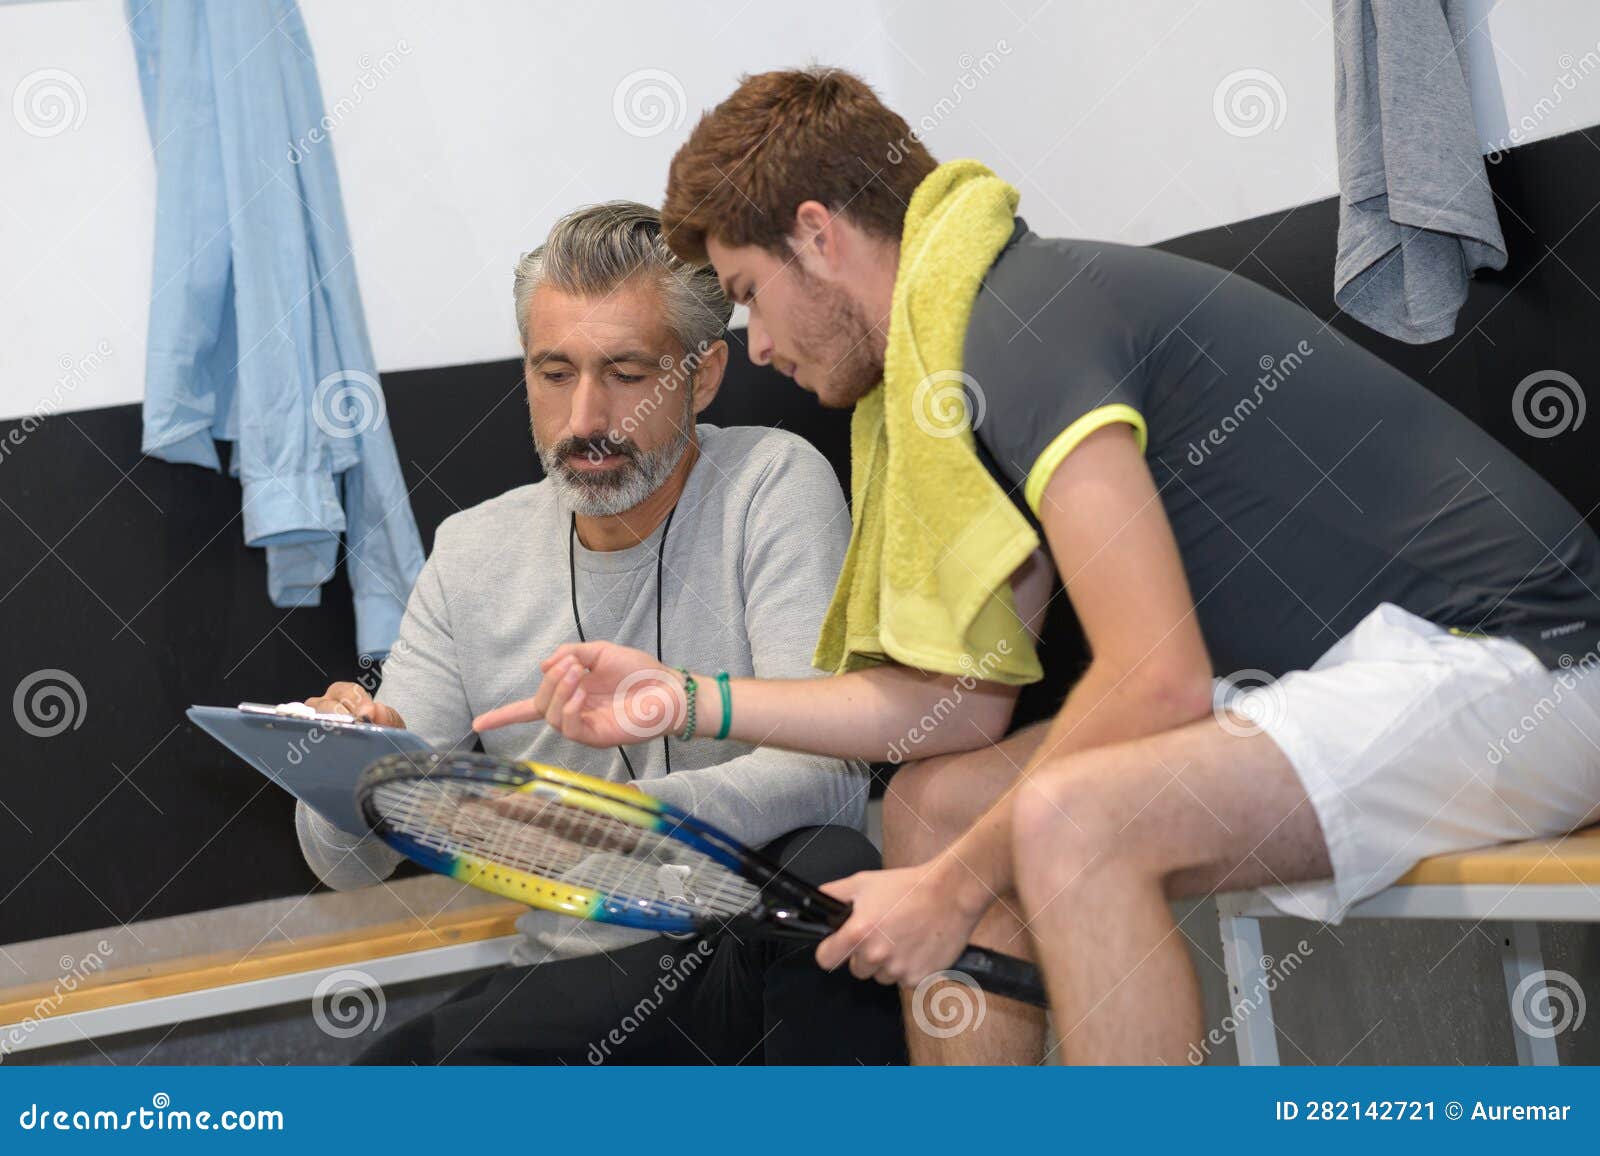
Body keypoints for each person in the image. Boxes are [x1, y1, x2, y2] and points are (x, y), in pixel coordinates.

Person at [476, 71, 1600, 1065]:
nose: (756, 344)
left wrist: (952, 888)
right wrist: (682, 696)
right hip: (1362, 683)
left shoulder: (1022, 324)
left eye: (747, 292)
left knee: (1072, 820)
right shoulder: (952, 363)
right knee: (933, 800)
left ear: (817, 236)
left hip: (1530, 667)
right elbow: (952, 718)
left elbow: (1151, 679)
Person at [294, 200, 904, 1065]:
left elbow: (828, 778)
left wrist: (609, 821)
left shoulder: (772, 485)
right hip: (573, 981)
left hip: (737, 945)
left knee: (831, 867)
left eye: (625, 373)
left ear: (702, 376)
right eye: (554, 372)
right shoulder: (471, 552)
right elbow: (349, 866)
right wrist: (339, 770)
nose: (585, 418)